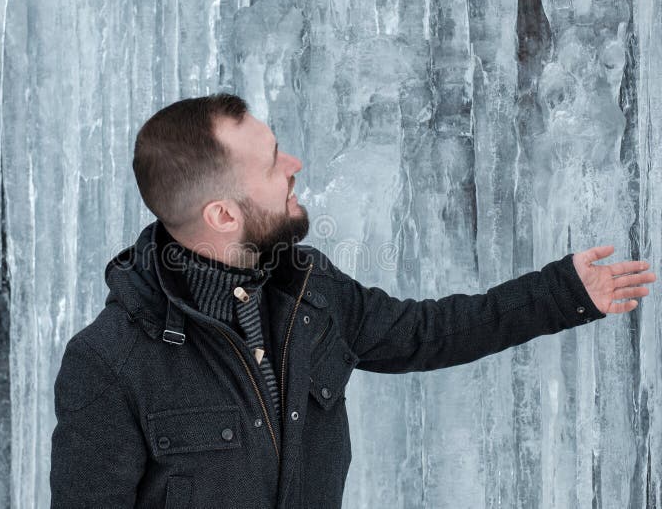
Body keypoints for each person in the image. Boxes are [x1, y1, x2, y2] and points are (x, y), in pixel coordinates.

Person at [49, 93, 656, 508]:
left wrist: (564, 293)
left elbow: (428, 333)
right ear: (223, 215)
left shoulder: (309, 290)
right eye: (272, 163)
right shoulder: (110, 363)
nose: (294, 165)